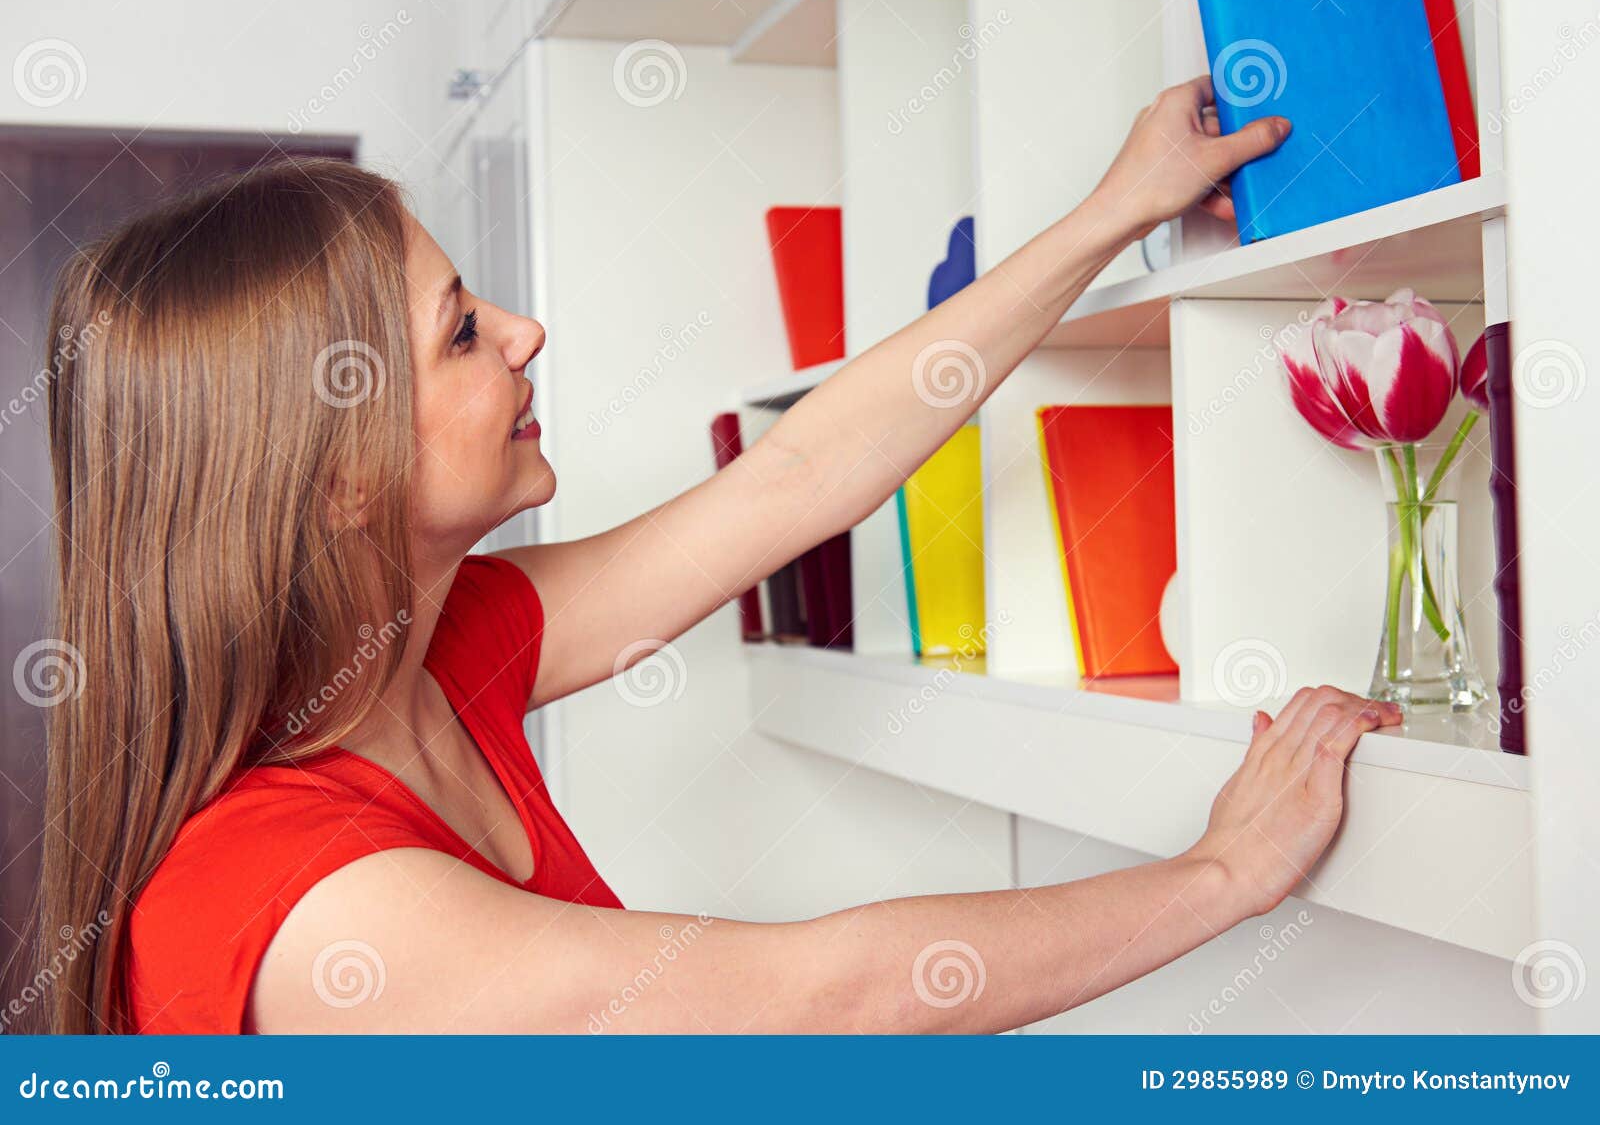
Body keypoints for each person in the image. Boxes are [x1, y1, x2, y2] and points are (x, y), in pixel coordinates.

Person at [35, 76, 1401, 1034]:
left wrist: (1118, 208)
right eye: (461, 330)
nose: (523, 333)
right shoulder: (317, 913)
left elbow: (801, 473)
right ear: (333, 476)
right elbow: (839, 999)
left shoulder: (433, 660)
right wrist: (1223, 874)